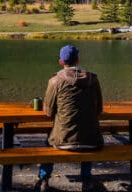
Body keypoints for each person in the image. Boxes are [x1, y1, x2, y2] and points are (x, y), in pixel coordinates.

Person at [35, 44, 106, 192]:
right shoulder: (93, 79)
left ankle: (43, 179)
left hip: (63, 140)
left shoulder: (55, 81)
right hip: (93, 141)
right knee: (86, 132)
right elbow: (99, 110)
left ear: (61, 62)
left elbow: (48, 113)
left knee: (48, 141)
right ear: (78, 60)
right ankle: (86, 180)